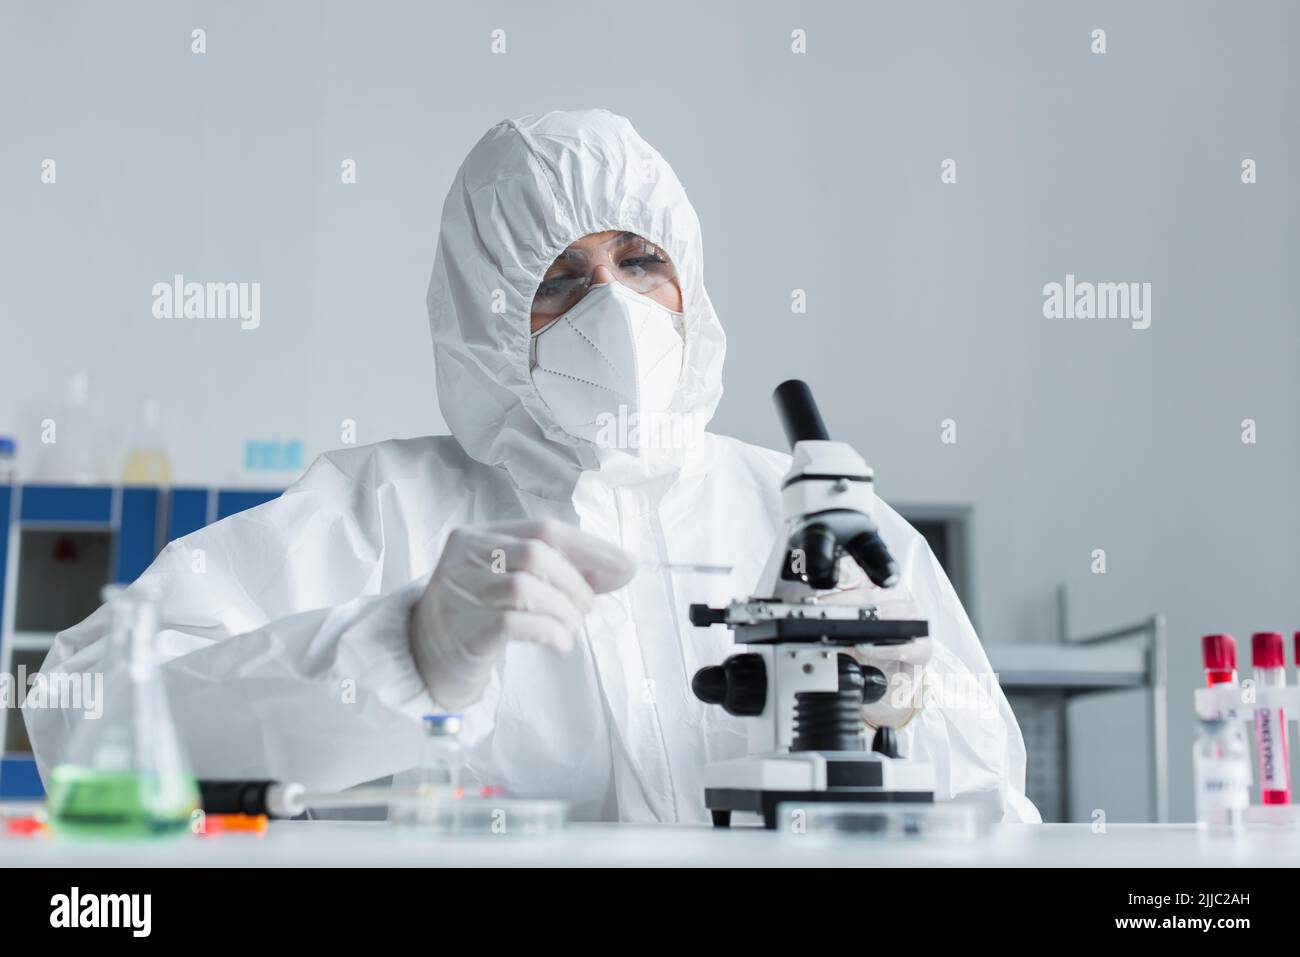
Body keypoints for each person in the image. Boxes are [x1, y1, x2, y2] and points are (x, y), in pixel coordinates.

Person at [25, 109, 1039, 823]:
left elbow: (1000, 807)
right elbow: (77, 712)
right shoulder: (383, 510)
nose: (618, 312)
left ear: (689, 284)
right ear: (487, 321)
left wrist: (910, 703)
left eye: (641, 263)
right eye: (562, 279)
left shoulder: (813, 518)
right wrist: (399, 649)